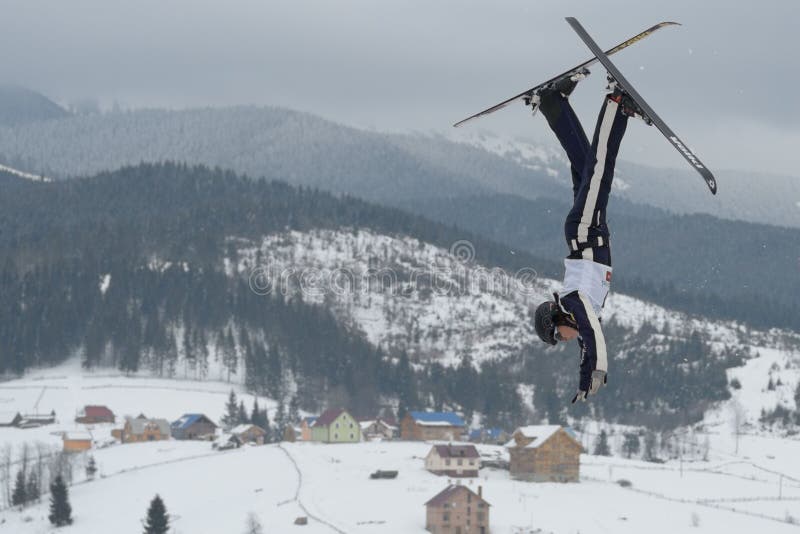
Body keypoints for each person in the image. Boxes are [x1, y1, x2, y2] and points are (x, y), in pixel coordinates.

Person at [531, 71, 648, 403]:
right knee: (586, 166)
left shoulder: (573, 304)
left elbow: (592, 338)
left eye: (557, 336)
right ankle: (554, 104)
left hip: (586, 232)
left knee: (599, 169)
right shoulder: (579, 317)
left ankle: (617, 104)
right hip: (588, 232)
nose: (564, 340)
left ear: (556, 319)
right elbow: (587, 342)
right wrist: (584, 379)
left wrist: (595, 373)